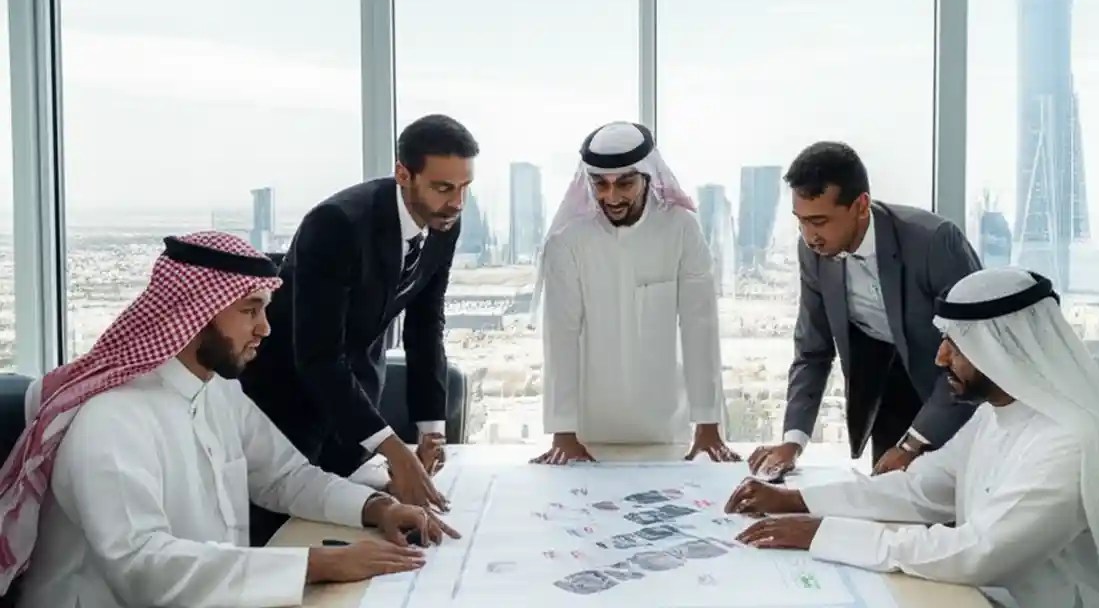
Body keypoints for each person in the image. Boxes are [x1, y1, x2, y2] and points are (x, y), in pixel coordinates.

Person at [0, 232, 460, 607]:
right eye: (249, 311)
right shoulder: (110, 418)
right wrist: (319, 565)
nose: (265, 328)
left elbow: (285, 477)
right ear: (193, 315)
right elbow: (141, 566)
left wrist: (376, 508)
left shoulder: (216, 391)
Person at [725, 267, 1099, 608]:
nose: (941, 358)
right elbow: (921, 489)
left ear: (1003, 350)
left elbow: (977, 552)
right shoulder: (1002, 413)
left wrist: (826, 534)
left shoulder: (1071, 443)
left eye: (957, 344)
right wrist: (800, 500)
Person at [239, 114, 477, 542]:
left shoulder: (444, 219)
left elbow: (426, 326)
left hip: (356, 395)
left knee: (359, 526)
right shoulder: (336, 224)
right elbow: (317, 356)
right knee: (286, 536)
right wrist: (395, 452)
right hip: (286, 400)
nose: (457, 202)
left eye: (464, 187)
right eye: (444, 187)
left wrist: (430, 433)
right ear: (403, 174)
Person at [748, 141, 981, 478]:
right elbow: (813, 350)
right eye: (801, 222)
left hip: (953, 380)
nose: (809, 236)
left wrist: (912, 445)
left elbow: (974, 349)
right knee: (888, 497)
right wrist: (793, 441)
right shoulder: (812, 251)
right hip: (887, 386)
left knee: (952, 503)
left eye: (819, 221)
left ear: (860, 206)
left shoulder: (933, 242)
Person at [531, 121, 735, 464]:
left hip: (668, 433)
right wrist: (563, 433)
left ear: (648, 177)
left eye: (625, 183)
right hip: (589, 437)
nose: (611, 196)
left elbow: (700, 327)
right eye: (600, 184)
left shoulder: (681, 229)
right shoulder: (568, 240)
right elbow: (561, 335)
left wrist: (708, 424)